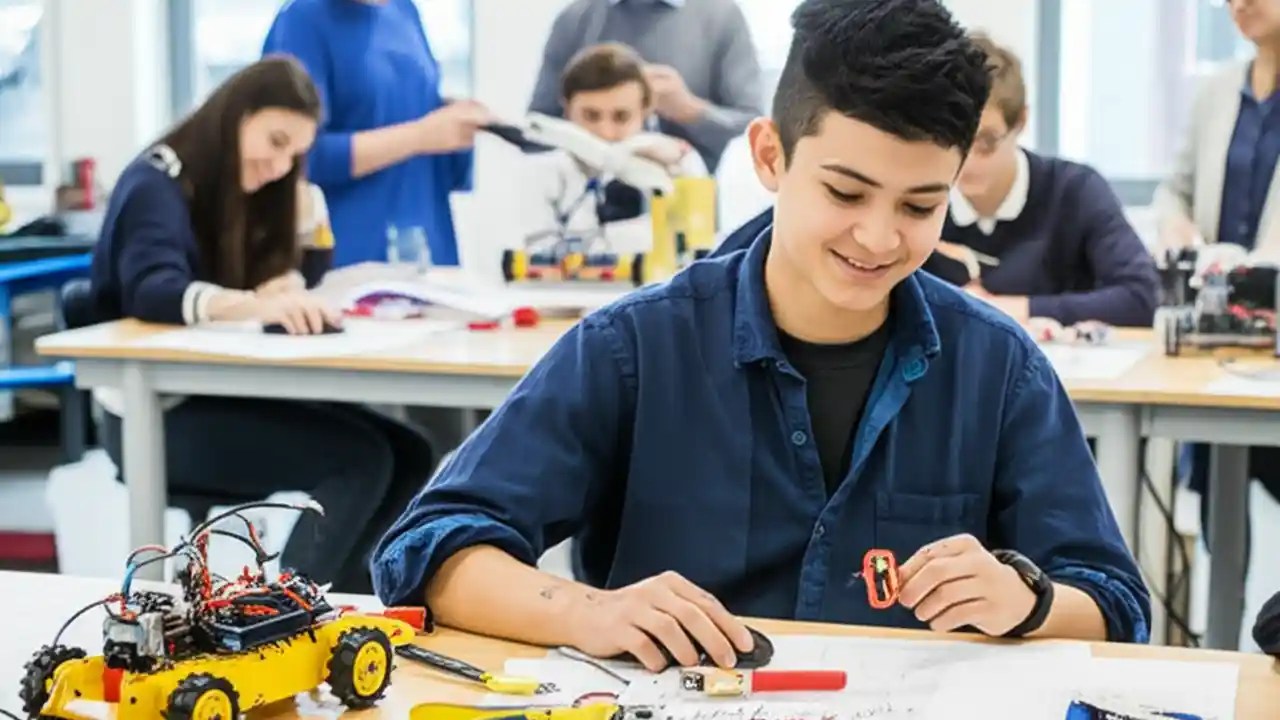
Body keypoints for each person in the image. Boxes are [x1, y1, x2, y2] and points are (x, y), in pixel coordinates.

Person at [371, 0, 1149, 666]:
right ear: (770, 155)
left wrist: (1028, 599)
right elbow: (427, 549)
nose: (879, 238)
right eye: (846, 192)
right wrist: (587, 611)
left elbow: (1115, 602)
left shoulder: (997, 366)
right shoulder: (636, 348)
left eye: (920, 206)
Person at [88, 57, 435, 594]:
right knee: (360, 462)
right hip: (157, 412)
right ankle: (283, 613)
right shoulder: (156, 182)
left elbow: (290, 275)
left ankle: (351, 606)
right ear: (236, 115)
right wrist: (255, 305)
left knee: (411, 453)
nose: (279, 165)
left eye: (294, 154)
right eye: (275, 142)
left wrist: (291, 261)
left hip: (218, 389)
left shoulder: (239, 187)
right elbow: (152, 291)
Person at [920, 33, 1158, 329]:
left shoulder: (1075, 191)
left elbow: (1141, 297)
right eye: (953, 140)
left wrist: (1013, 309)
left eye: (986, 142)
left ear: (1020, 122)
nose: (966, 161)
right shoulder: (921, 199)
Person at [1155, 0, 1280, 561]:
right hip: (1216, 339)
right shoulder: (1217, 91)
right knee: (1218, 500)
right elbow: (1174, 190)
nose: (1237, 3)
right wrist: (1177, 224)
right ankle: (1225, 616)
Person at [262, 0, 491, 268]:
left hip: (427, 249)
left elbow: (414, 117)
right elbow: (299, 155)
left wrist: (453, 120)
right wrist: (419, 136)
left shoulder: (404, 10)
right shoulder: (301, 21)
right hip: (350, 259)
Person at [529, 0, 763, 174]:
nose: (607, 131)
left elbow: (752, 130)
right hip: (584, 211)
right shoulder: (575, 19)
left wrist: (691, 111)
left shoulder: (721, 16)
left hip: (688, 207)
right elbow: (534, 131)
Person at [522, 42, 708, 255]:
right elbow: (536, 254)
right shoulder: (543, 173)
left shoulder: (680, 163)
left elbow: (697, 249)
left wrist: (676, 172)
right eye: (591, 116)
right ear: (567, 110)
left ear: (645, 111)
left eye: (621, 117)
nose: (606, 132)